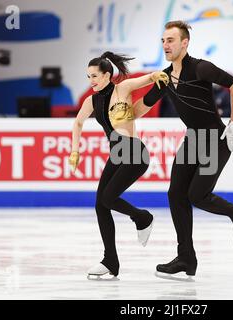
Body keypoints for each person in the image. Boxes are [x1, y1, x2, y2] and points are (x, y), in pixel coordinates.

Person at [134, 21, 233, 279]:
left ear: (184, 43)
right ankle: (186, 258)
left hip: (214, 138)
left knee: (198, 195)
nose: (166, 45)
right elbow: (141, 107)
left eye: (171, 40)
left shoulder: (201, 67)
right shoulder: (164, 78)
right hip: (193, 139)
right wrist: (119, 111)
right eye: (163, 40)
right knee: (175, 194)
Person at [69, 51, 169, 279]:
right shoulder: (91, 100)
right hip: (117, 154)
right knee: (100, 205)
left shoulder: (121, 89)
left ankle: (142, 217)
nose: (91, 81)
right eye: (88, 76)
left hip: (134, 153)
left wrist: (157, 76)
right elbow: (77, 122)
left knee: (107, 198)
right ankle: (110, 261)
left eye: (94, 76)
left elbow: (148, 78)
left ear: (107, 75)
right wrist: (75, 150)